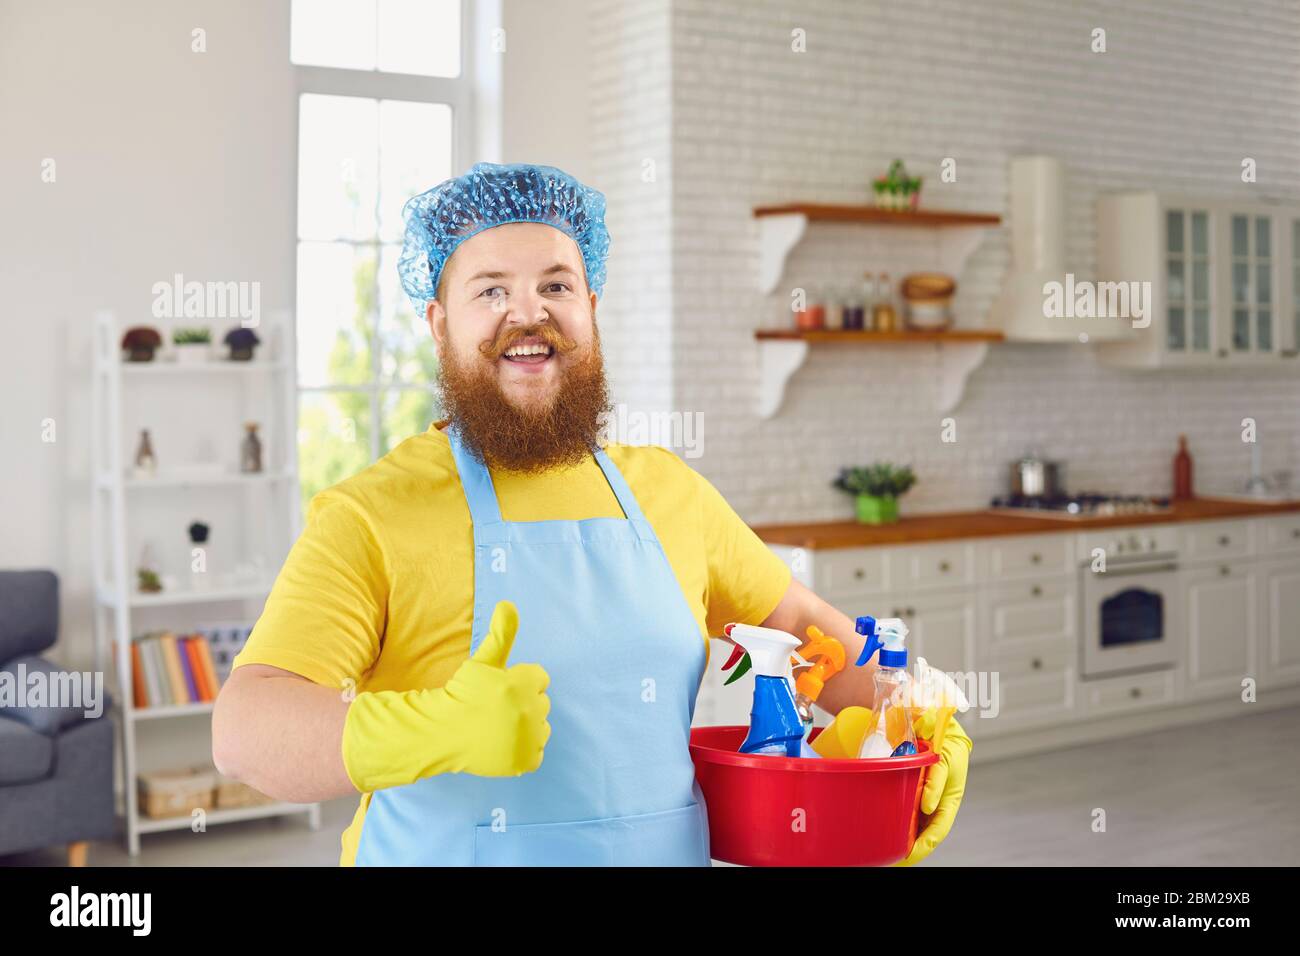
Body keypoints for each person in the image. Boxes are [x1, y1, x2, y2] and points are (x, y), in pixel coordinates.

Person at [211, 162, 970, 866]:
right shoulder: (372, 513)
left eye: (556, 286)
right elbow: (246, 733)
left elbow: (810, 637)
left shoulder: (669, 492)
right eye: (490, 290)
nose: (528, 314)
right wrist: (432, 729)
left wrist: (918, 715)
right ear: (439, 324)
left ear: (592, 307)